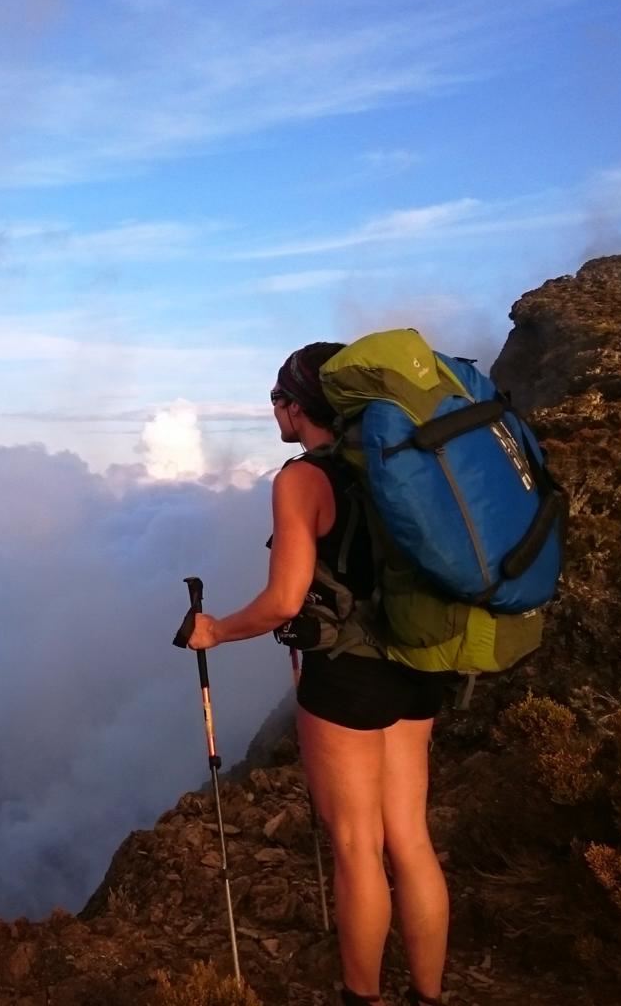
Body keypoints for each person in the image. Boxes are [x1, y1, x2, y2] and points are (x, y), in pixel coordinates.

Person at [182, 342, 452, 1006]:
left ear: (300, 407)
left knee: (359, 844)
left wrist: (213, 630)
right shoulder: (400, 465)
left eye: (277, 399)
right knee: (409, 837)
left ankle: (363, 996)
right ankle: (429, 995)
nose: (273, 411)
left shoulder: (302, 480)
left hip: (348, 677)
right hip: (419, 661)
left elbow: (283, 600)